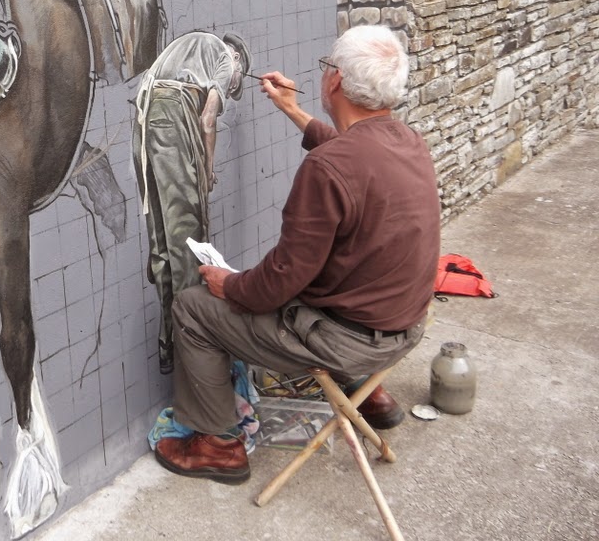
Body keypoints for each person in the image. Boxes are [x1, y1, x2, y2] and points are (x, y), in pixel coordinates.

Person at [153, 25, 440, 483]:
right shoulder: (407, 142)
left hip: (349, 342)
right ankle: (370, 396)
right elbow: (354, 159)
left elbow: (277, 283)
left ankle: (218, 445)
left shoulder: (326, 170)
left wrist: (228, 283)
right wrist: (293, 110)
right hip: (406, 328)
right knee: (337, 280)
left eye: (327, 66)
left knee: (192, 307)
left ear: (334, 81)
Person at [132, 31, 252, 374]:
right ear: (239, 61)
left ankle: (168, 342)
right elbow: (208, 118)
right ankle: (192, 354)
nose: (231, 89)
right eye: (234, 86)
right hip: (174, 112)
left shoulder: (189, 47)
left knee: (163, 239)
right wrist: (208, 168)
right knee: (188, 237)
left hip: (145, 116)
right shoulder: (224, 57)